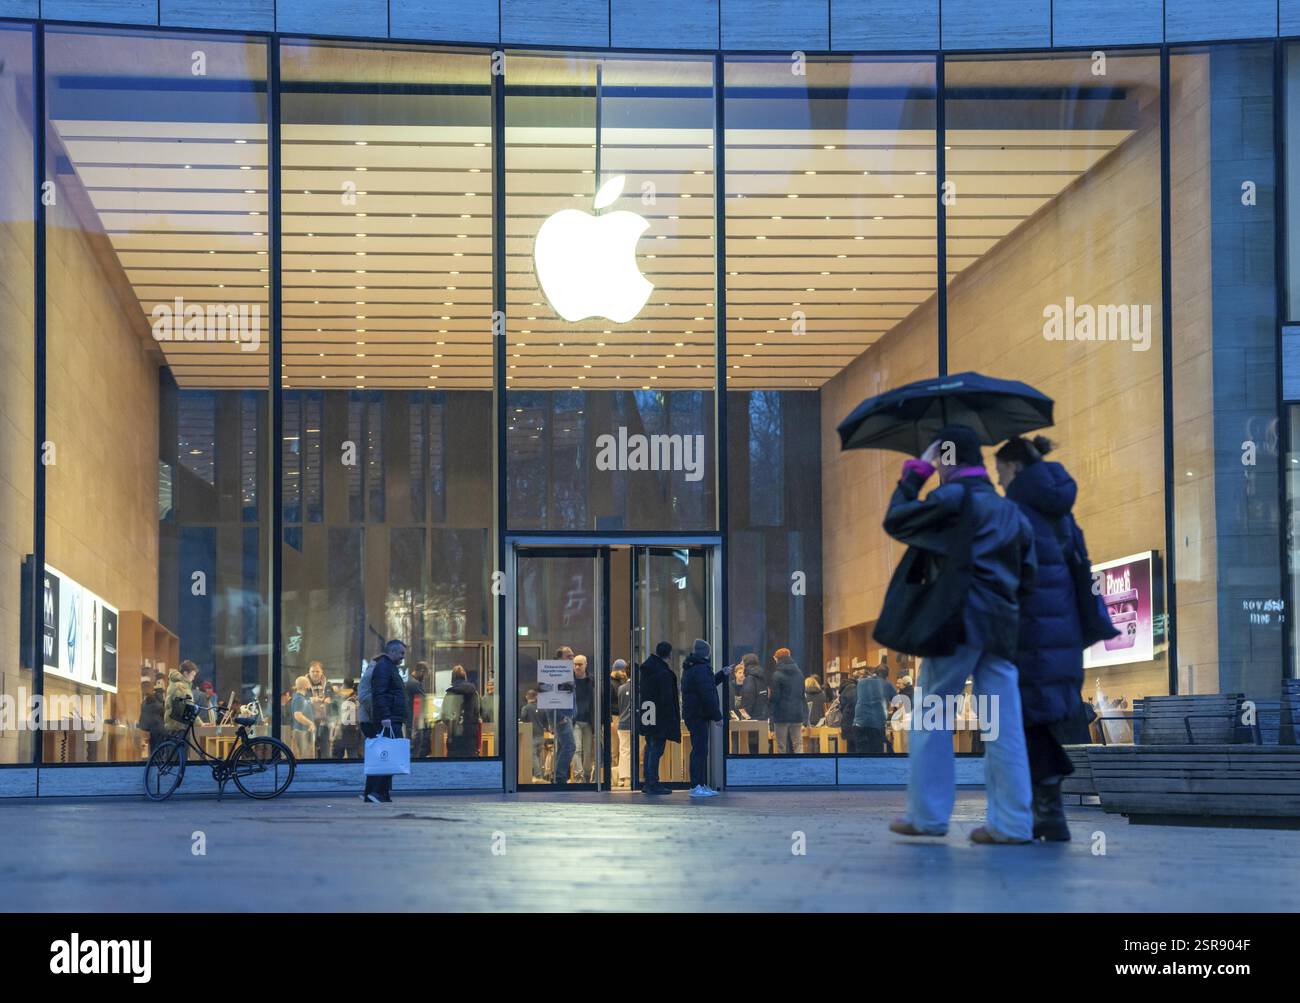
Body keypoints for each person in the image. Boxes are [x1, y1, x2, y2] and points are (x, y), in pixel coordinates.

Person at [883, 423, 1037, 845]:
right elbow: (1029, 575)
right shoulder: (1010, 510)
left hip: (956, 622)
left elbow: (897, 520)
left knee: (933, 716)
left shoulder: (951, 498)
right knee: (1004, 725)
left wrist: (916, 473)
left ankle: (927, 816)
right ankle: (1013, 823)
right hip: (1001, 627)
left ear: (946, 460)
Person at [996, 434, 1088, 841]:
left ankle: (1048, 808)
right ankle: (1046, 809)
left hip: (1030, 633)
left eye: (1000, 471)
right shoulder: (1061, 512)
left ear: (1014, 467)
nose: (998, 481)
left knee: (1027, 719)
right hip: (1061, 632)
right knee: (1036, 718)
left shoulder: (1016, 510)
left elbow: (1010, 576)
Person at [361, 639, 408, 803]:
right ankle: (377, 792)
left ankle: (375, 793)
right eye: (401, 653)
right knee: (389, 757)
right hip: (389, 719)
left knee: (383, 756)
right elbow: (379, 693)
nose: (403, 657)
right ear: (392, 652)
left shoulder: (388, 667)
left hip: (391, 717)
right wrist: (386, 717)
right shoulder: (385, 667)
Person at [680, 639, 727, 797]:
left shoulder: (694, 667)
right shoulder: (700, 669)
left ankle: (699, 783)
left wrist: (722, 674)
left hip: (695, 714)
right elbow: (707, 693)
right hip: (698, 715)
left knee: (700, 750)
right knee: (699, 751)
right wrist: (717, 716)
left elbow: (708, 684)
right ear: (706, 653)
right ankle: (696, 785)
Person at [638, 641, 680, 795]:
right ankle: (653, 783)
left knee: (650, 747)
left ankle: (648, 781)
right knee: (656, 749)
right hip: (660, 717)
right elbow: (667, 699)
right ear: (669, 654)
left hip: (648, 715)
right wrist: (672, 719)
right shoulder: (663, 673)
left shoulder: (648, 670)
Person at [768, 648, 806, 754]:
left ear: (777, 659)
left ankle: (783, 768)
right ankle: (799, 766)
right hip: (797, 713)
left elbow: (775, 697)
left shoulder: (777, 675)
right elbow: (802, 696)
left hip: (781, 715)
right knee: (798, 744)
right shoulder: (800, 674)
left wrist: (769, 708)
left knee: (781, 746)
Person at [440, 665, 482, 758]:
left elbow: (444, 715)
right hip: (470, 737)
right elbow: (477, 713)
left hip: (454, 737)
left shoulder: (450, 694)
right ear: (465, 676)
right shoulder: (474, 693)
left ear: (453, 678)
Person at [550, 646, 577, 784]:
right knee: (570, 746)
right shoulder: (554, 673)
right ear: (559, 658)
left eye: (573, 655)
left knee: (562, 747)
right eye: (569, 656)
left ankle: (557, 777)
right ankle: (559, 777)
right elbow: (549, 696)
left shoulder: (567, 673)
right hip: (562, 717)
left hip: (568, 716)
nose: (572, 658)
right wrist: (559, 717)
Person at [855, 667, 889, 754]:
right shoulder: (878, 687)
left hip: (859, 723)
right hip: (873, 724)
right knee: (876, 750)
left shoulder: (858, 687)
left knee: (863, 751)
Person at [572, 654, 595, 782]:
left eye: (580, 664)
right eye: (575, 664)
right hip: (574, 720)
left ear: (586, 665)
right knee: (577, 748)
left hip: (588, 721)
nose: (577, 667)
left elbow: (596, 701)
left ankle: (587, 775)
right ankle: (578, 776)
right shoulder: (569, 681)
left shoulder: (592, 681)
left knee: (588, 751)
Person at [307, 661, 336, 759]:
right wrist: (319, 700)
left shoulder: (328, 684)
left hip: (324, 721)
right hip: (309, 721)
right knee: (310, 748)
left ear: (322, 672)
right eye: (313, 671)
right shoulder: (304, 683)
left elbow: (330, 700)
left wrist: (320, 700)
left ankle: (327, 765)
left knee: (325, 747)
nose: (315, 673)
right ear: (309, 672)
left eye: (317, 671)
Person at [164, 661, 199, 736]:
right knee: (182, 746)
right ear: (186, 673)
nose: (193, 678)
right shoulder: (181, 686)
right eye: (192, 675)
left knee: (174, 746)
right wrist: (200, 723)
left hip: (173, 724)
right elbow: (189, 706)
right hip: (179, 725)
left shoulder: (176, 683)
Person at [519, 689, 547, 781]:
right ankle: (541, 776)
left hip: (531, 735)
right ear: (536, 697)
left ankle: (538, 776)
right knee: (539, 756)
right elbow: (545, 721)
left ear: (527, 697)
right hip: (541, 735)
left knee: (533, 755)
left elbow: (522, 718)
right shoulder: (542, 708)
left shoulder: (526, 708)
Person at [406, 661, 432, 759]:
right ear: (421, 671)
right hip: (414, 722)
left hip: (411, 721)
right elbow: (423, 702)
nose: (425, 678)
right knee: (415, 753)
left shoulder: (410, 681)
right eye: (425, 675)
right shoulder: (415, 684)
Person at [613, 661, 632, 788]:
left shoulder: (621, 688)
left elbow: (619, 707)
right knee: (636, 751)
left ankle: (624, 778)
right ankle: (632, 776)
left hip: (622, 722)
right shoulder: (638, 688)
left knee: (624, 751)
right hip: (633, 723)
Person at [332, 677, 362, 759]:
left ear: (343, 686)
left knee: (337, 758)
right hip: (353, 733)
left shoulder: (345, 699)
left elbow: (341, 718)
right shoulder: (356, 698)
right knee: (353, 756)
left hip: (343, 732)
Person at [289, 675, 315, 759]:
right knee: (305, 756)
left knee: (306, 755)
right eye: (308, 682)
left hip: (304, 731)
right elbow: (298, 715)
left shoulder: (302, 698)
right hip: (301, 731)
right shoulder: (299, 699)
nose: (309, 684)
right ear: (305, 685)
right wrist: (310, 723)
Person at [137, 677, 166, 753]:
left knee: (153, 749)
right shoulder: (160, 703)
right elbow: (164, 715)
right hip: (159, 729)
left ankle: (152, 762)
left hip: (147, 728)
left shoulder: (145, 702)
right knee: (160, 750)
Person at [837, 669, 861, 753]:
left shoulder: (844, 690)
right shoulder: (854, 689)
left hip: (847, 723)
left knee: (850, 748)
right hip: (854, 723)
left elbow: (842, 707)